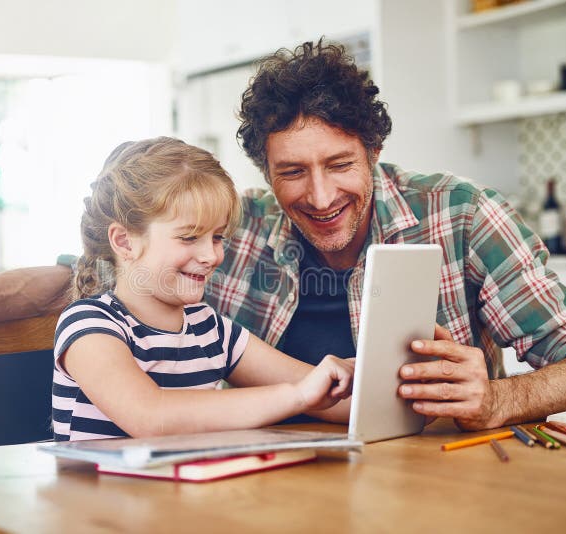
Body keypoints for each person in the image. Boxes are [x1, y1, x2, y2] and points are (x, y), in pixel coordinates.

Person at [0, 40, 566, 432]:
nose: (321, 195)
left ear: (373, 150)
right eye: (292, 171)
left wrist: (498, 396)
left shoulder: (463, 215)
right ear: (264, 169)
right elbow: (75, 277)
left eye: (340, 164)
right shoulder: (231, 231)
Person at [57, 137, 353, 439]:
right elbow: (151, 416)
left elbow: (328, 396)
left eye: (217, 237)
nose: (211, 256)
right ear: (124, 241)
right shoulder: (90, 324)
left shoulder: (211, 329)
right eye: (188, 238)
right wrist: (298, 395)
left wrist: (349, 379)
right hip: (104, 488)